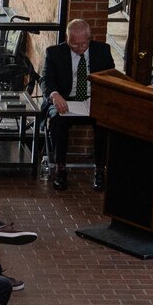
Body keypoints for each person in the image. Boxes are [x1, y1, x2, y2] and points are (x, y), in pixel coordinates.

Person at [43, 18, 117, 191]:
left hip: (92, 100)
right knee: (58, 121)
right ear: (67, 39)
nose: (79, 48)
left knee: (105, 121)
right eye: (74, 44)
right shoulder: (54, 53)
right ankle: (60, 169)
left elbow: (112, 78)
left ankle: (100, 170)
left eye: (83, 44)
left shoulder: (102, 51)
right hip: (65, 99)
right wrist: (55, 95)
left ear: (90, 39)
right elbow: (46, 80)